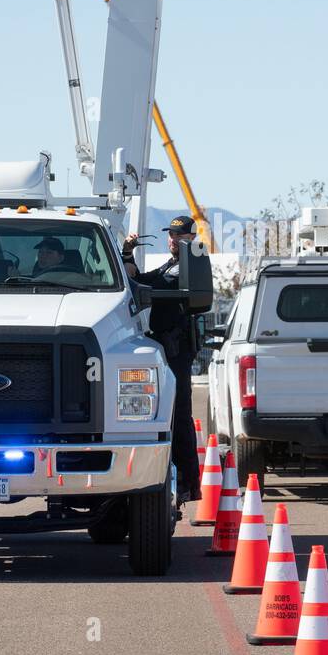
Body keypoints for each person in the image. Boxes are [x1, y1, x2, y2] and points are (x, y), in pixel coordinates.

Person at [122, 216, 201, 504]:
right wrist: (127, 254)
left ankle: (189, 484)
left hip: (176, 347)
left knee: (178, 415)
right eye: (171, 235)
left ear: (192, 238)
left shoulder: (186, 267)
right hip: (165, 345)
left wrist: (129, 275)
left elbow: (148, 287)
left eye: (179, 235)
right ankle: (178, 481)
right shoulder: (170, 264)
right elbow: (140, 281)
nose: (173, 239)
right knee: (164, 415)